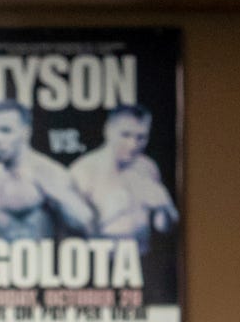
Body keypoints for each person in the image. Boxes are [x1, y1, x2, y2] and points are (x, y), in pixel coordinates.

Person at [0, 99, 95, 240]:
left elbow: (86, 222)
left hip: (38, 265)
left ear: (25, 132)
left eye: (5, 131)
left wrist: (59, 195)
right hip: (0, 265)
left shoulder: (46, 171)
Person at [69, 105, 179, 246]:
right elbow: (70, 234)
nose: (133, 144)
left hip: (140, 258)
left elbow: (163, 228)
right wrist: (108, 214)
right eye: (125, 135)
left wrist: (164, 208)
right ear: (108, 130)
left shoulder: (147, 167)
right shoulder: (84, 171)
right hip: (100, 260)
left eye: (141, 137)